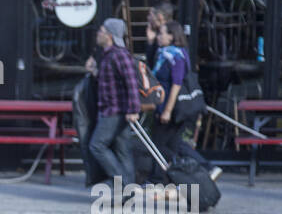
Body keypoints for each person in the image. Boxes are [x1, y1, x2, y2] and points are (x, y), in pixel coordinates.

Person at [151, 20, 222, 182]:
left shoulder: (175, 56)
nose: (158, 36)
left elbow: (176, 84)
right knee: (173, 144)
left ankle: (159, 179)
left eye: (162, 33)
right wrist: (150, 42)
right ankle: (169, 178)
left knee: (160, 144)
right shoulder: (166, 53)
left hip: (173, 108)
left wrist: (167, 110)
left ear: (172, 36)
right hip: (166, 106)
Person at [88, 18, 140, 197]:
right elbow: (109, 81)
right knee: (122, 150)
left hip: (114, 111)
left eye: (101, 31)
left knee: (96, 145)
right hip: (114, 110)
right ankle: (129, 190)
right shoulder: (109, 55)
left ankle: (123, 182)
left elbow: (131, 83)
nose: (98, 34)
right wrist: (94, 72)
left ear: (109, 35)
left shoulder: (119, 54)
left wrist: (134, 109)